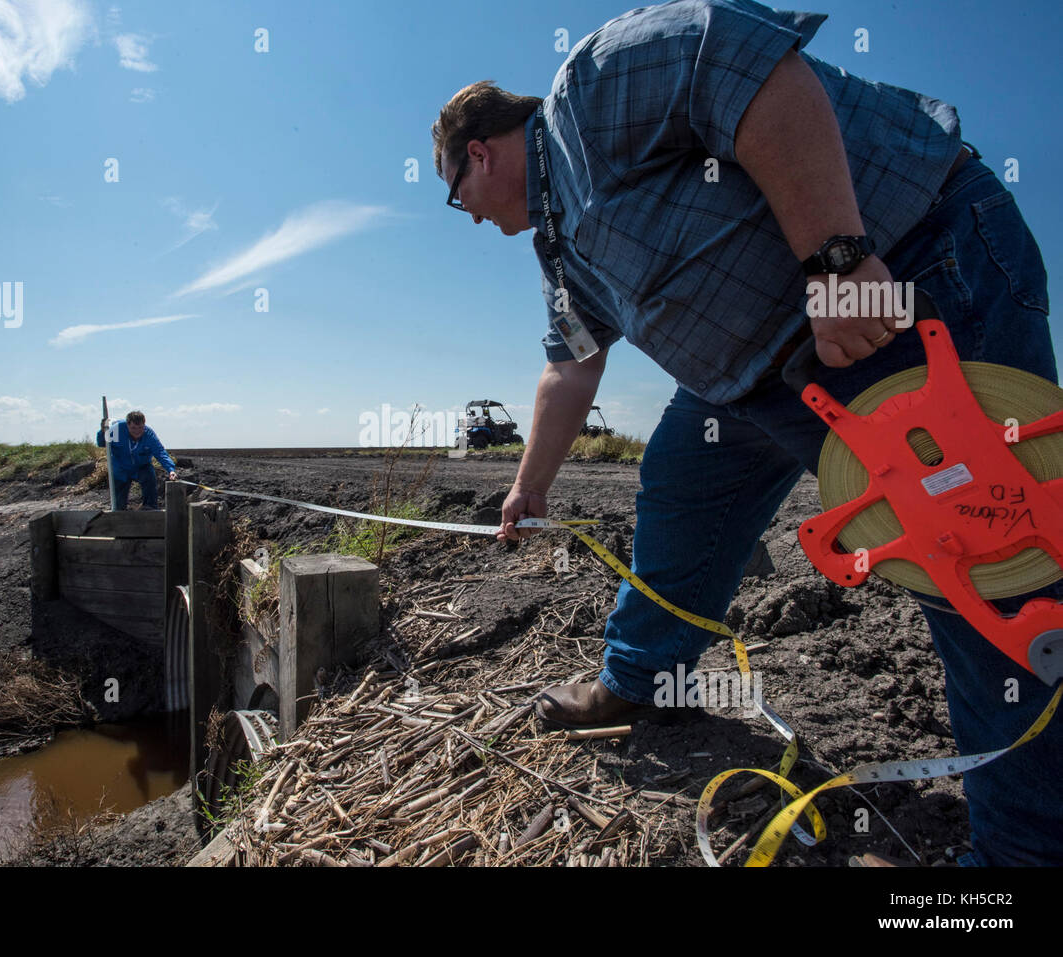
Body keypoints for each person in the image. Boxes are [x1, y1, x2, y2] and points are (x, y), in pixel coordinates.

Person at [432, 0, 1061, 865]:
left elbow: (753, 71)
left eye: (454, 195)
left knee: (988, 567)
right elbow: (571, 367)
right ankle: (642, 680)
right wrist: (529, 483)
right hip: (759, 379)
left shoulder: (588, 88)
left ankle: (1021, 856)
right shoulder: (560, 251)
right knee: (683, 486)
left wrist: (838, 262)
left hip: (906, 281)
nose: (464, 216)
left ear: (478, 152)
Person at [96, 410, 178, 511]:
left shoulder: (149, 435)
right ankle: (119, 513)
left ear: (144, 424)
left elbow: (160, 452)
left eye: (140, 427)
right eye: (133, 428)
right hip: (120, 468)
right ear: (127, 425)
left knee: (149, 478)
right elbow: (102, 443)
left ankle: (150, 508)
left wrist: (171, 469)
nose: (137, 431)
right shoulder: (117, 430)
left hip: (141, 466)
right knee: (119, 504)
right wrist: (103, 431)